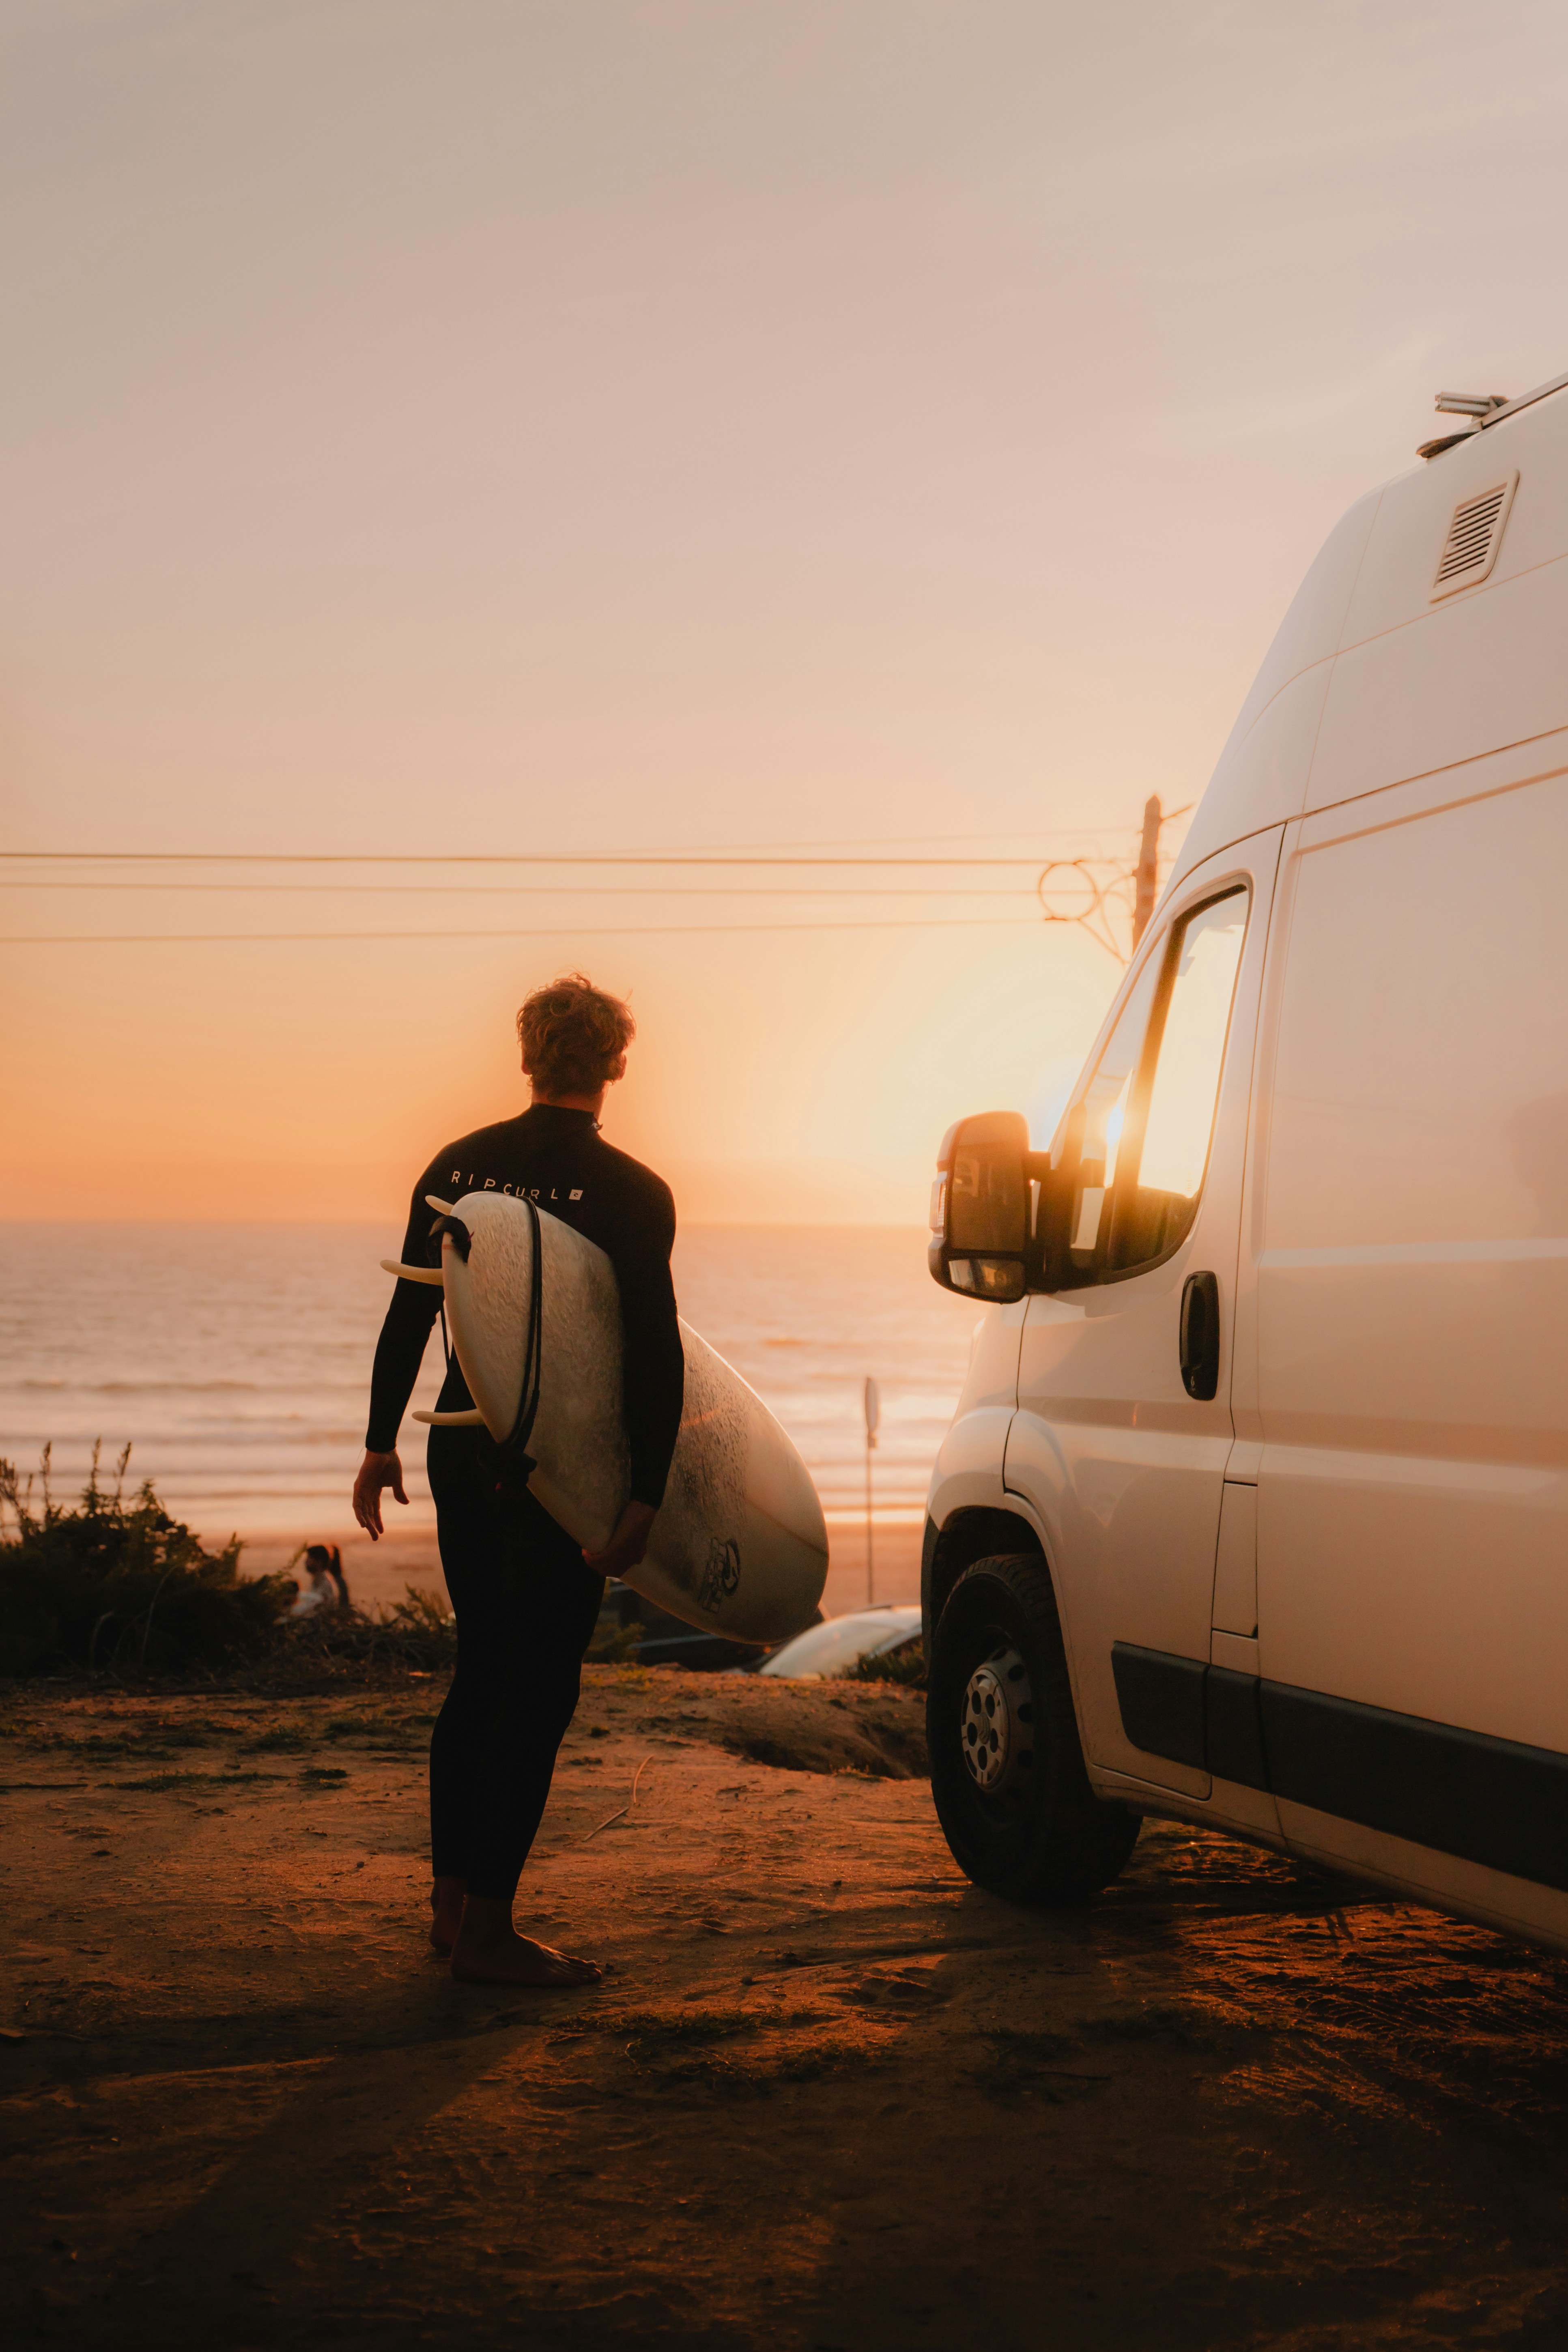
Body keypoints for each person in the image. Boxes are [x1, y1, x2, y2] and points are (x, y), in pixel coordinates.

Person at [351, 974, 683, 1989]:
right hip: (566, 1463)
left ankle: (452, 1910)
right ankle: (492, 1932)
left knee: (481, 1667)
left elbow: (411, 1315)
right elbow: (651, 1351)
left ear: (529, 1056)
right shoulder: (632, 1189)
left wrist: (376, 1445)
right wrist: (647, 1492)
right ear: (617, 1064)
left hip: (462, 1441)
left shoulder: (459, 1165)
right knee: (537, 1689)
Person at [288, 1542, 349, 1617]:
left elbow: (312, 1609)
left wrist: (290, 1609)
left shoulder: (326, 1584)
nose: (306, 1561)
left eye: (309, 1558)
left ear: (319, 1561)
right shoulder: (317, 1581)